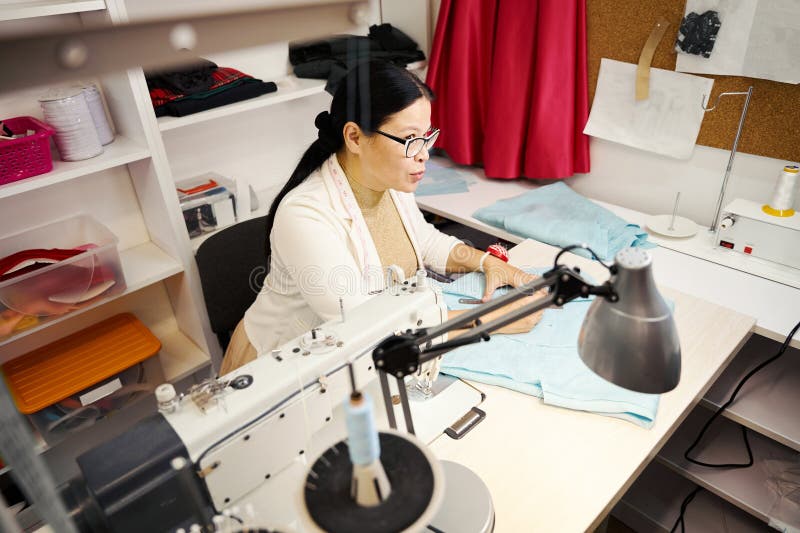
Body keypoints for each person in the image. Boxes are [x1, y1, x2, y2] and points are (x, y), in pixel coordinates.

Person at [220, 60, 542, 375]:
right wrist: (493, 318)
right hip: (277, 367)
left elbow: (425, 241)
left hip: (353, 353)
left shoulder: (389, 180)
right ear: (355, 138)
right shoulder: (304, 217)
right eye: (411, 139)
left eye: (427, 136)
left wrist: (490, 264)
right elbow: (371, 329)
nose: (424, 153)